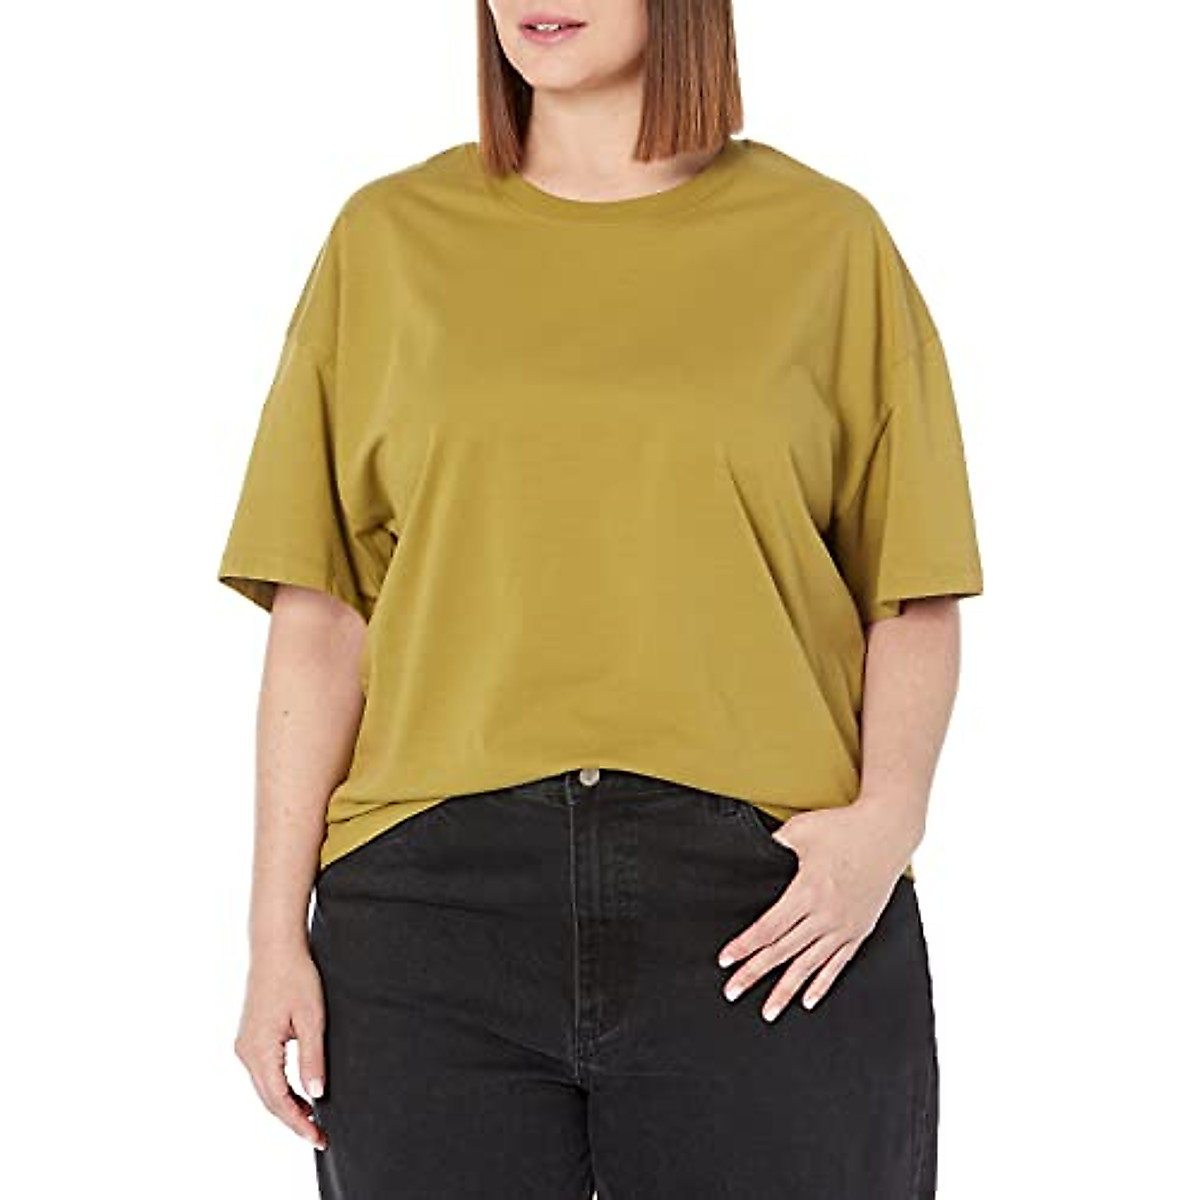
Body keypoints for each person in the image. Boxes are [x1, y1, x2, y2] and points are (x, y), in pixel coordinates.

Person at [218, 2, 984, 1196]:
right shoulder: (387, 241)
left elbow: (913, 589)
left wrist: (889, 822)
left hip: (770, 910)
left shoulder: (827, 242)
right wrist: (273, 934)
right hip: (428, 915)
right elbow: (322, 615)